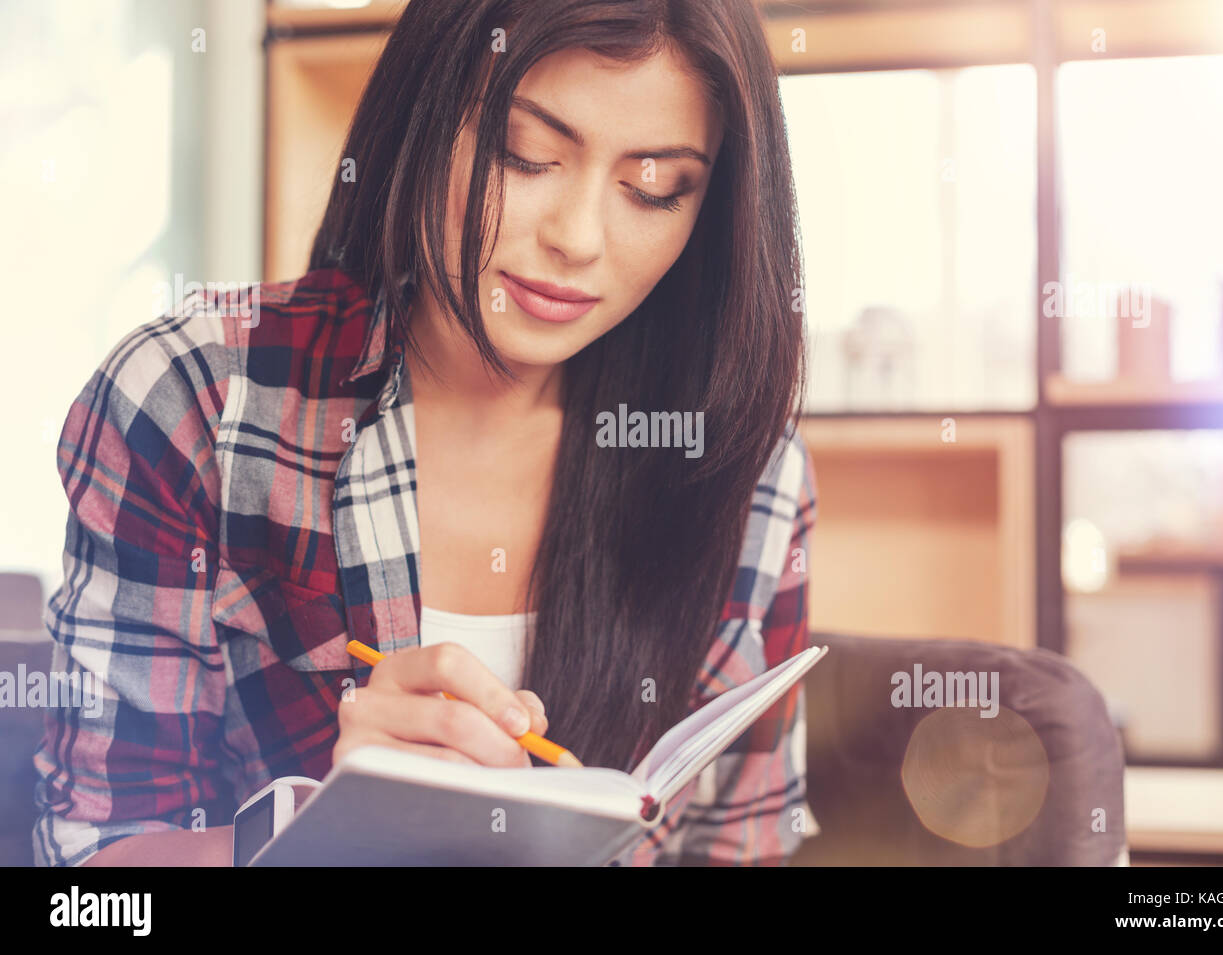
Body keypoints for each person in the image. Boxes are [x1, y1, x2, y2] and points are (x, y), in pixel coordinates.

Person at [34, 0, 817, 867]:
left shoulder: (743, 462)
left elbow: (742, 845)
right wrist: (322, 834)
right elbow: (90, 882)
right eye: (526, 155)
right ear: (426, 112)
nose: (578, 238)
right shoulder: (198, 405)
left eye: (655, 188)